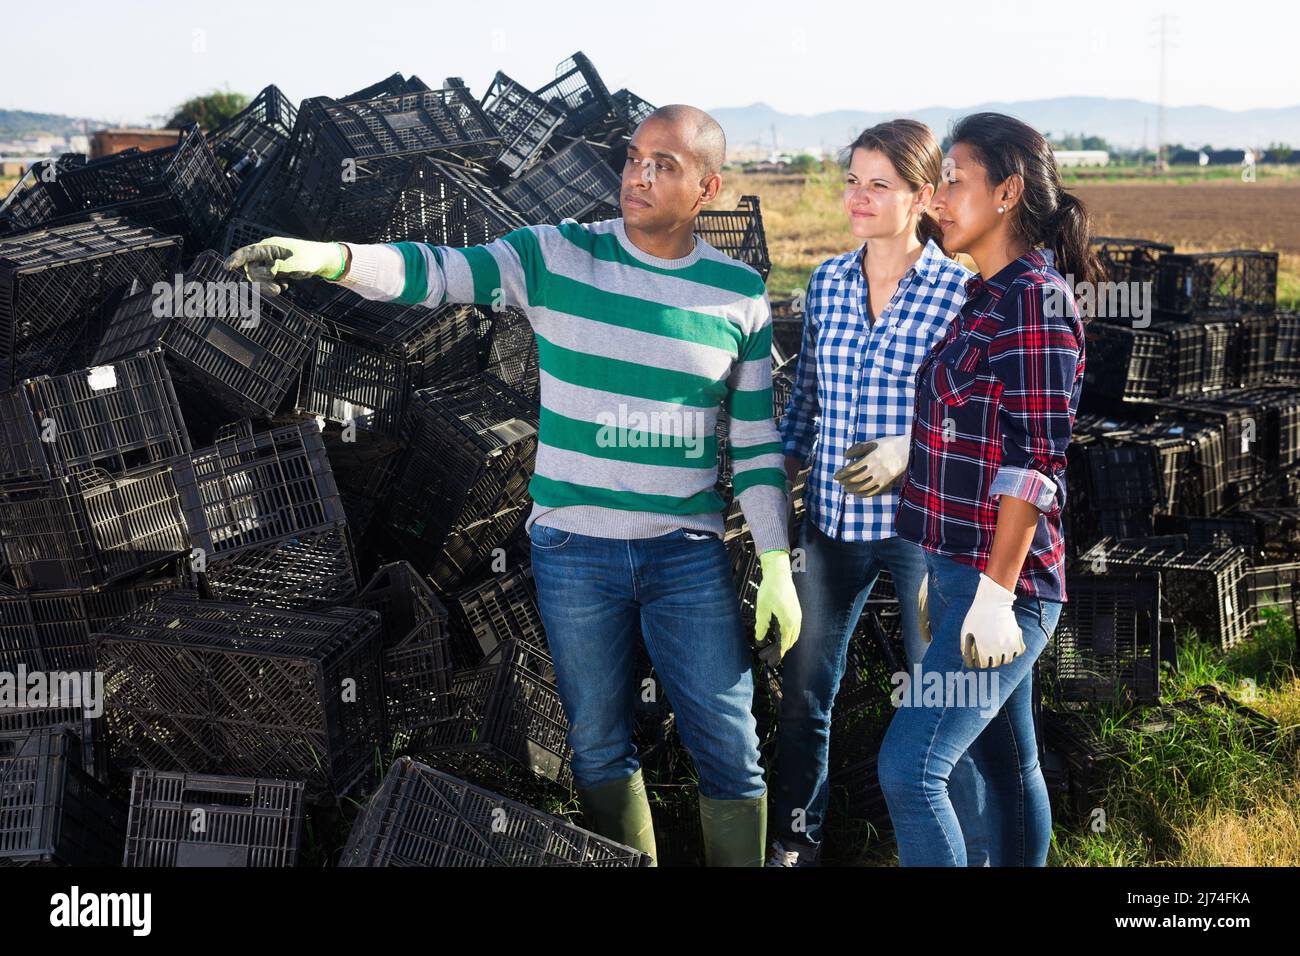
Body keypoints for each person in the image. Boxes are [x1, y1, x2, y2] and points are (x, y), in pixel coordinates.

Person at [223, 105, 802, 868]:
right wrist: (331, 257)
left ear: (708, 187)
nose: (638, 174)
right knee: (597, 744)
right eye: (633, 157)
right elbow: (436, 273)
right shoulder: (556, 257)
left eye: (664, 164)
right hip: (574, 553)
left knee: (730, 746)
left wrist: (777, 565)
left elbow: (756, 442)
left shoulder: (738, 296)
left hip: (685, 556)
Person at [877, 111, 1095, 866]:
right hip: (962, 570)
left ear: (1006, 193)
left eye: (954, 180)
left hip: (1009, 587)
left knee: (909, 769)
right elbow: (969, 433)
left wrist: (995, 594)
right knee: (1007, 767)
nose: (937, 195)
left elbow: (1035, 466)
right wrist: (946, 573)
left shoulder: (1036, 303)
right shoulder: (985, 296)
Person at [768, 119, 983, 867]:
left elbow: (980, 422)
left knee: (942, 705)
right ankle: (797, 842)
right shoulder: (826, 281)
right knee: (805, 695)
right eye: (852, 181)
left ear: (922, 195)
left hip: (927, 530)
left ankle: (958, 846)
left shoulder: (962, 290)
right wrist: (775, 491)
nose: (858, 198)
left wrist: (908, 449)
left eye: (878, 185)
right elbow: (805, 406)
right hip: (832, 524)